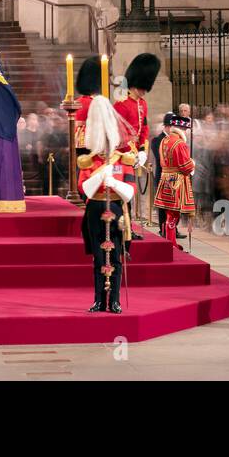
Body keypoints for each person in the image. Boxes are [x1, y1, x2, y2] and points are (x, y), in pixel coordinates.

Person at [77, 94, 135, 313]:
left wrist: (114, 183)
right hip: (95, 209)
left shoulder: (122, 160)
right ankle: (99, 299)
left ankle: (115, 299)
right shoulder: (89, 161)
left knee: (117, 257)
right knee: (98, 257)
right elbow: (85, 191)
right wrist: (101, 177)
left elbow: (130, 191)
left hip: (117, 208)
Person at [115, 53, 159, 240]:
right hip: (122, 157)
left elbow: (144, 128)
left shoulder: (143, 104)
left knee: (131, 193)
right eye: (141, 88)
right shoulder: (121, 105)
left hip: (135, 156)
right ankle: (124, 228)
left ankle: (129, 228)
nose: (143, 92)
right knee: (124, 194)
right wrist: (129, 153)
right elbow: (118, 134)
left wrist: (142, 150)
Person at [153, 112, 195, 244]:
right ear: (182, 129)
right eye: (186, 130)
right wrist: (193, 163)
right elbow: (185, 166)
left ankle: (169, 240)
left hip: (165, 178)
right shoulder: (179, 143)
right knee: (173, 214)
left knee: (168, 213)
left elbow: (161, 162)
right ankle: (171, 242)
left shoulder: (164, 141)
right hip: (176, 181)